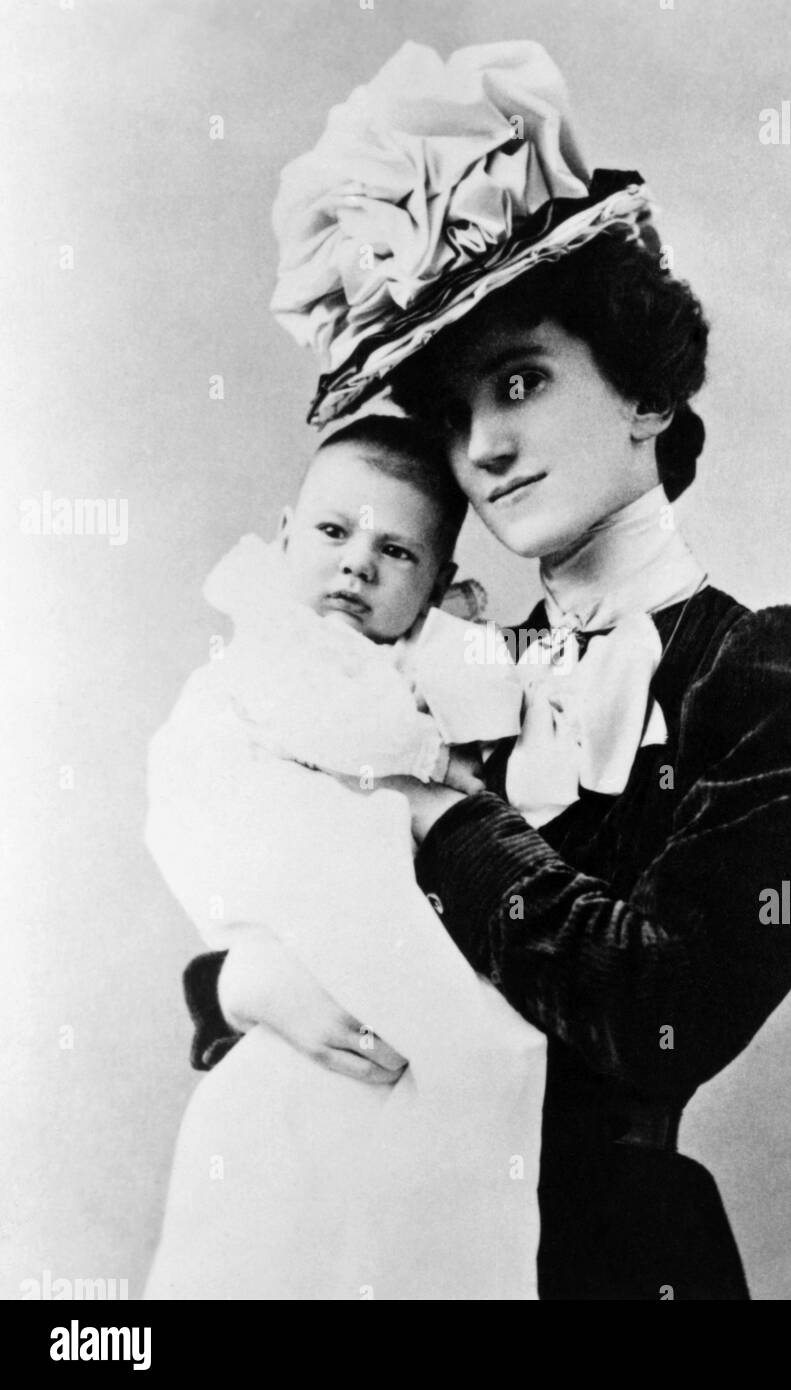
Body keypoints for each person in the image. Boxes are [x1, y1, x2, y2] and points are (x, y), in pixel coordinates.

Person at [181, 40, 791, 1300]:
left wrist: (439, 809)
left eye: (520, 381)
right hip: (378, 1253)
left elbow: (660, 1010)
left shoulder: (784, 675)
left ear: (648, 392)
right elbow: (276, 848)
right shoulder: (442, 662)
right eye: (454, 416)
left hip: (604, 1272)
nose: (484, 448)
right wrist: (230, 982)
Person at [144, 406, 546, 1300]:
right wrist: (432, 762)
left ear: (439, 580)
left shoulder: (433, 660)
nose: (357, 562)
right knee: (268, 1187)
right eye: (332, 531)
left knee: (424, 1153)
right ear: (286, 537)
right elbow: (316, 740)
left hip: (405, 955)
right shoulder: (278, 647)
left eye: (396, 553)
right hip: (300, 916)